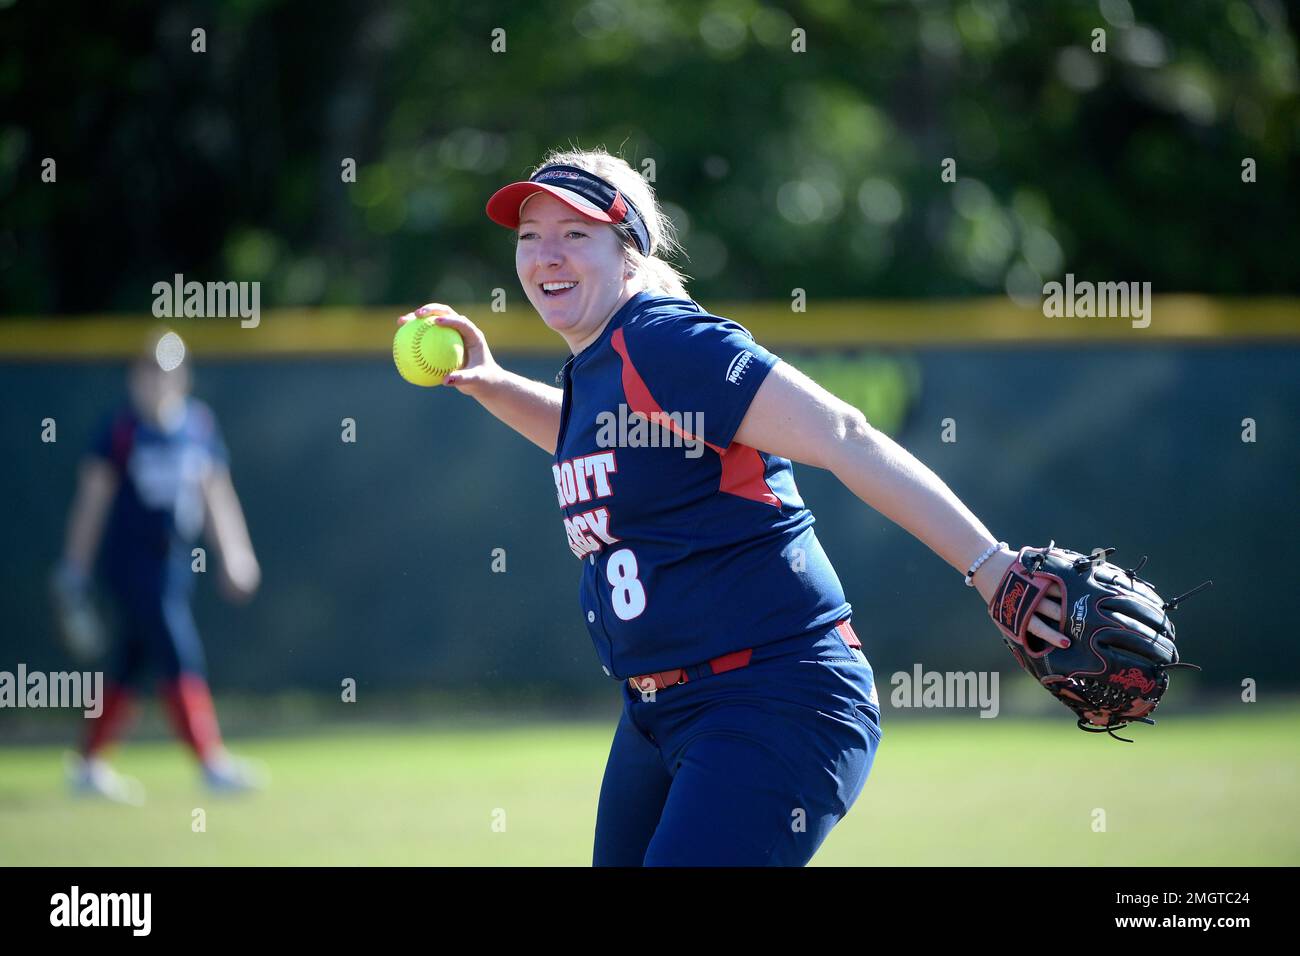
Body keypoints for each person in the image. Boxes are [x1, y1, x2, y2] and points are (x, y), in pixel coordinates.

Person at [399, 147, 1067, 866]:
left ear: (628, 251)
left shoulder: (666, 340)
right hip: (660, 711)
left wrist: (991, 567)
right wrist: (491, 382)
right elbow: (601, 440)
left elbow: (844, 434)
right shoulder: (604, 359)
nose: (546, 255)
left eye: (575, 234)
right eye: (530, 237)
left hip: (773, 698)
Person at [53, 329, 266, 803]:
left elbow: (216, 493)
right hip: (129, 565)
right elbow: (92, 501)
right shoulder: (121, 430)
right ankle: (211, 762)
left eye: (167, 372)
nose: (158, 381)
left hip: (174, 565)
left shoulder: (199, 426)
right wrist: (74, 568)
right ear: (135, 377)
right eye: (149, 371)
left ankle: (87, 765)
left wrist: (235, 551)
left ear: (183, 377)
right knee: (176, 647)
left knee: (130, 661)